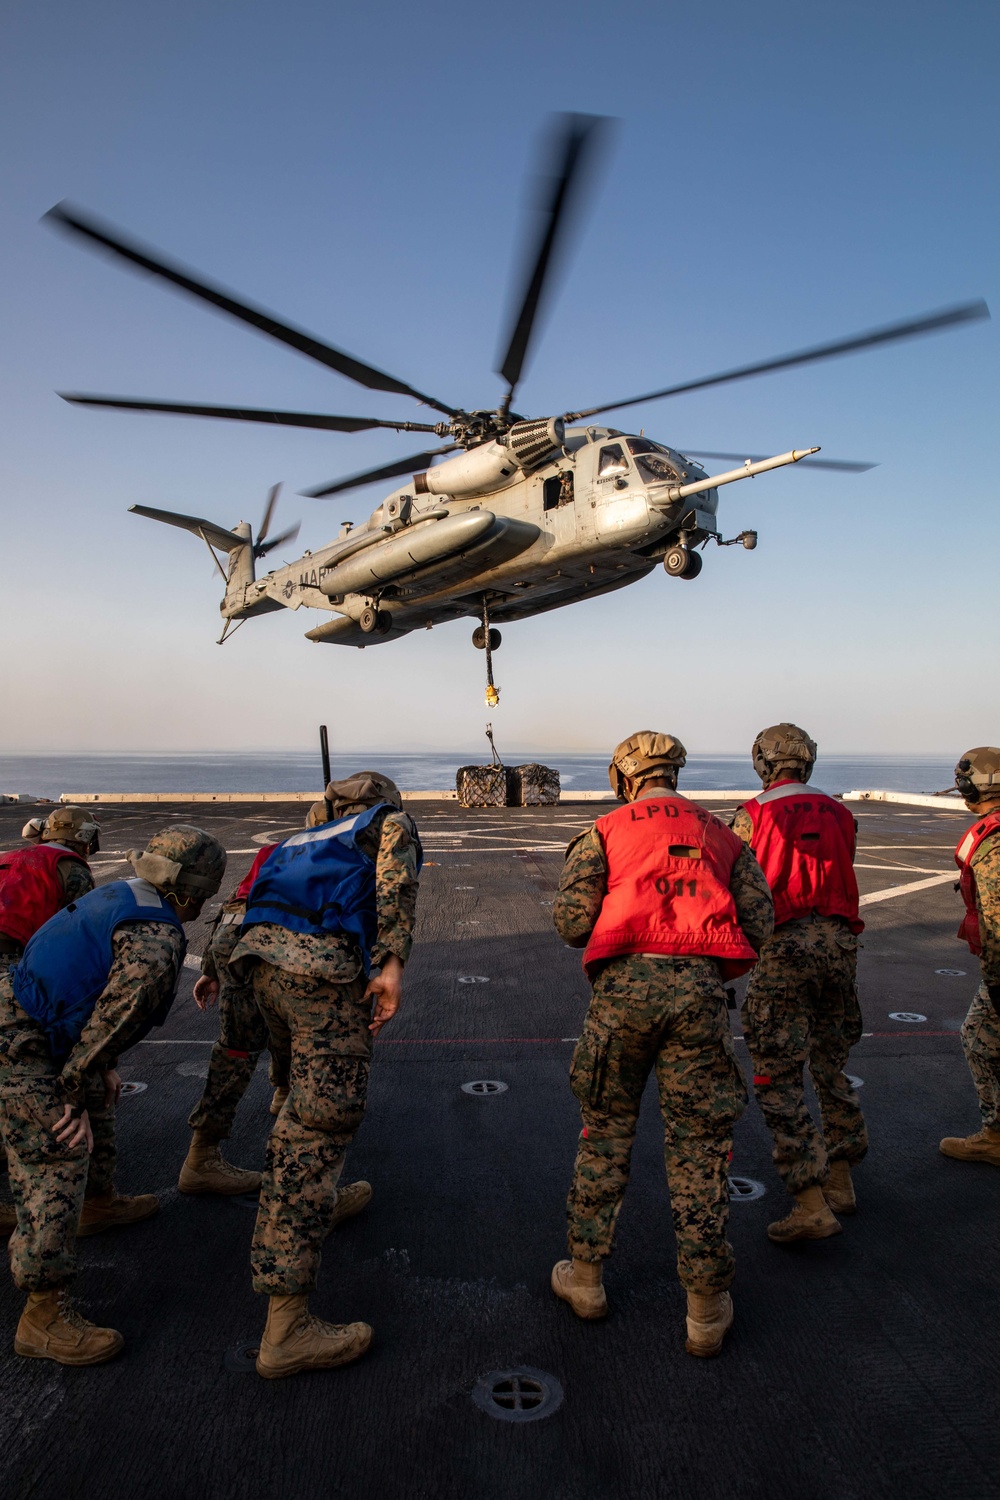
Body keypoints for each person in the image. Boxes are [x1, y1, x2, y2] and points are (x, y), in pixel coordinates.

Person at [550, 732, 773, 1358]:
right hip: (700, 997)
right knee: (700, 1148)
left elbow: (571, 924)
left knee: (605, 1132)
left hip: (622, 995)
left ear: (624, 777)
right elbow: (759, 923)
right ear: (675, 772)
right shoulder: (725, 836)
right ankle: (705, 1310)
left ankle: (587, 1281)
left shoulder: (605, 830)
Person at [0, 825, 226, 1366]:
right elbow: (118, 1015)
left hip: (32, 1016)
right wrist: (75, 1085)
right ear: (192, 889)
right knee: (56, 1151)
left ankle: (97, 1205)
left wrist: (94, 1069)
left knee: (95, 1099)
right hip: (19, 1038)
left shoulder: (122, 891)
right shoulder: (157, 938)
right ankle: (43, 1314)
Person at [229, 772, 421, 1379]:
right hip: (320, 976)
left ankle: (320, 1204)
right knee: (316, 1128)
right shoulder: (385, 824)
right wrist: (390, 967)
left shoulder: (303, 836)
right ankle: (286, 1329)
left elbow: (249, 905)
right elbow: (396, 887)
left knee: (295, 1102)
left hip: (260, 970)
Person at [732, 724, 866, 1242]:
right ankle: (841, 1177)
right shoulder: (840, 812)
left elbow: (739, 881)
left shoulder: (754, 814)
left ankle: (810, 1201)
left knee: (778, 1074)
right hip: (839, 945)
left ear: (763, 763)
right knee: (833, 1064)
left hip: (784, 947)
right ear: (809, 762)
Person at [0, 807, 101, 1241]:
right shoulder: (69, 870)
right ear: (83, 839)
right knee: (29, 1065)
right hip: (11, 965)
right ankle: (91, 1194)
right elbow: (75, 938)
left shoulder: (12, 858)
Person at [177, 843, 282, 1196]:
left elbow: (236, 899)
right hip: (266, 936)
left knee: (244, 1041)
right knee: (290, 1023)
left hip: (232, 933)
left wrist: (211, 967)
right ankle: (202, 1157)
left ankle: (282, 1091)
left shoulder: (279, 848)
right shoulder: (340, 850)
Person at [940, 747, 1000, 1166]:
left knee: (979, 1037)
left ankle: (995, 1137)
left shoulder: (993, 842)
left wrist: (996, 981)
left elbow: (997, 919)